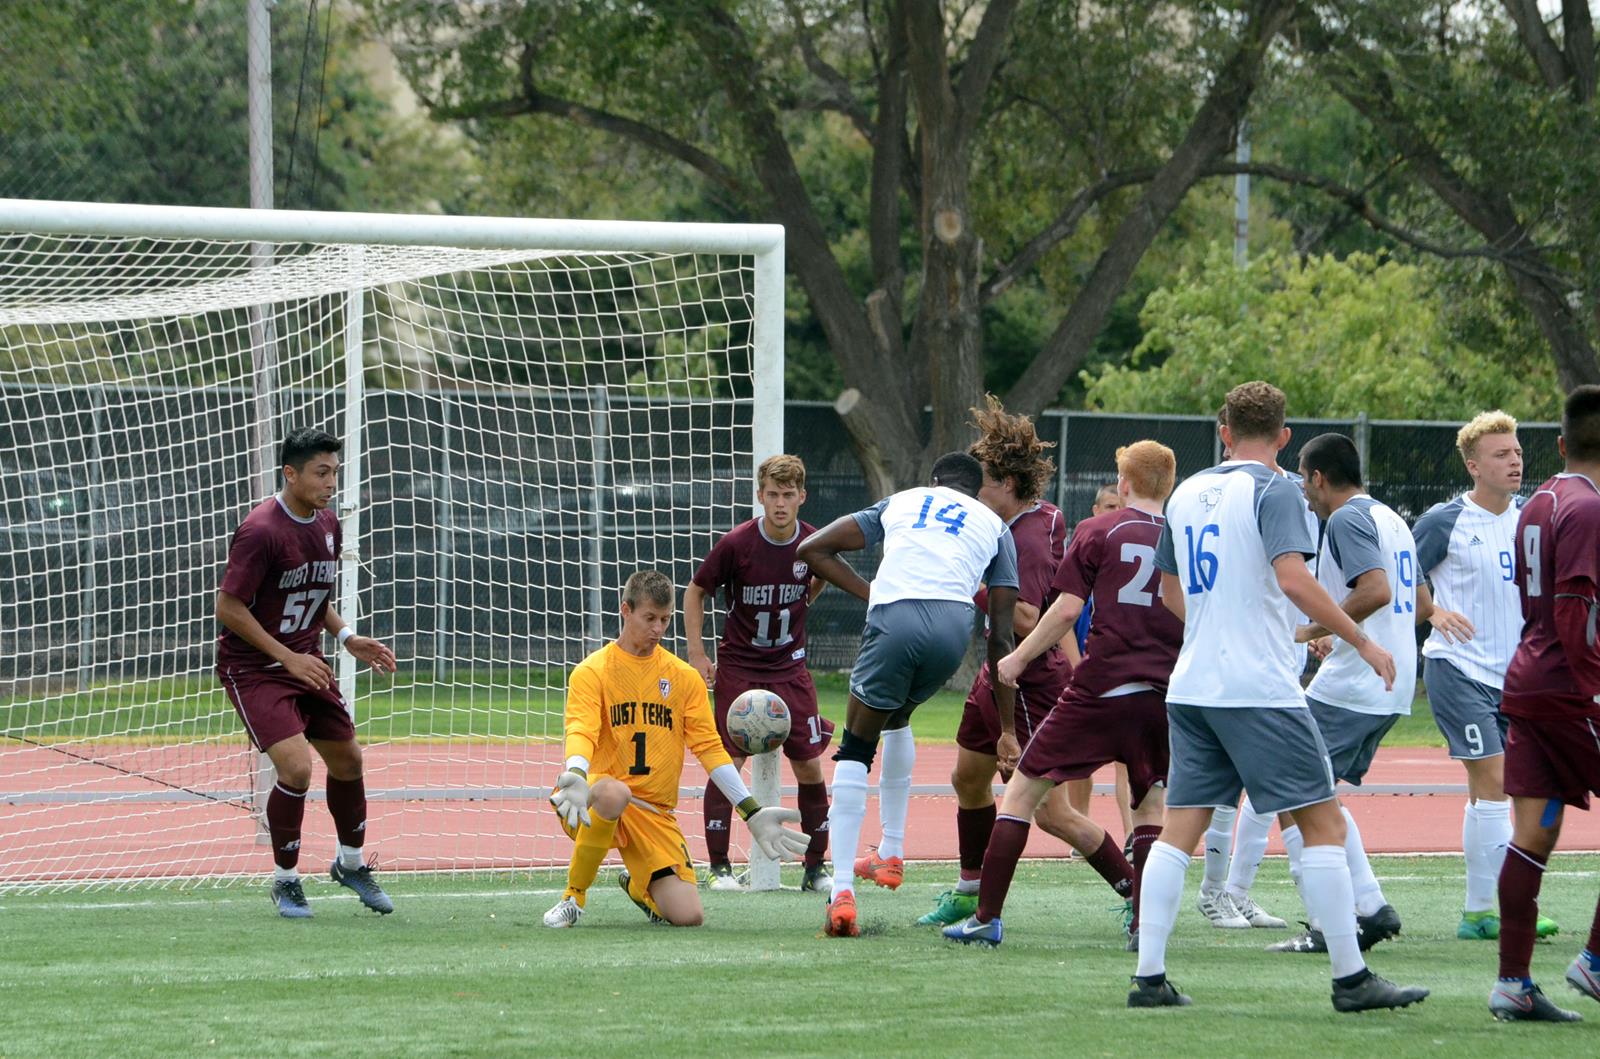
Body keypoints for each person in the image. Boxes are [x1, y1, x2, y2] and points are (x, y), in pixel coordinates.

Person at [1131, 380, 1427, 1012]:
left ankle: (1149, 978)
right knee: (1322, 821)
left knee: (1178, 831)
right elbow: (1293, 578)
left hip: (1192, 687)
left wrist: (1217, 630)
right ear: (1284, 436)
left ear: (1225, 432)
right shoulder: (1276, 489)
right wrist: (1363, 642)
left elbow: (1168, 594)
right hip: (1259, 688)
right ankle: (1352, 978)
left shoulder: (1185, 493)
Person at [942, 440, 1180, 950]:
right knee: (1149, 806)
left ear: (1125, 485)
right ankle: (1144, 924)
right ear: (1171, 485)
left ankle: (986, 918)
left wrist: (1020, 657)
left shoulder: (1098, 529)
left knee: (1024, 793)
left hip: (1099, 687)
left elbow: (1066, 610)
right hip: (1160, 691)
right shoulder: (1184, 534)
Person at [797, 452, 1020, 938]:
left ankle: (840, 894)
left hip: (896, 615)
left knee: (856, 747)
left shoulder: (902, 501)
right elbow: (1002, 637)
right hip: (952, 630)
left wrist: (870, 592)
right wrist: (1007, 729)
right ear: (976, 489)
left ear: (934, 481)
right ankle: (891, 851)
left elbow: (813, 548)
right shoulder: (996, 525)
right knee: (898, 717)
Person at [542, 570, 809, 928]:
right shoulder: (592, 672)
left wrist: (751, 811)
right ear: (626, 610)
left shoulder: (683, 678)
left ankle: (639, 886)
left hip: (652, 812)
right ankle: (574, 898)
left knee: (689, 916)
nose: (658, 629)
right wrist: (575, 773)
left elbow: (710, 748)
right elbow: (582, 730)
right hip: (590, 796)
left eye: (665, 620)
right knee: (614, 792)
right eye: (649, 618)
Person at [1247, 433, 1427, 955]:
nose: (1303, 490)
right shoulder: (1390, 517)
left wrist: (1314, 628)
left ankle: (1338, 921)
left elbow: (1376, 590)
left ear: (1320, 477)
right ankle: (1368, 904)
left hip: (1355, 686)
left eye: (1305, 478)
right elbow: (1413, 605)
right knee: (1311, 793)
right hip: (1379, 684)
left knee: (1292, 792)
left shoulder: (1347, 518)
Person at [914, 398, 1089, 927]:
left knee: (1052, 814)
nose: (972, 494)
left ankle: (1135, 888)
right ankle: (970, 890)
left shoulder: (1028, 536)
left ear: (1009, 485)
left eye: (982, 483)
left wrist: (969, 586)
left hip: (1032, 680)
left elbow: (1033, 618)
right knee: (968, 776)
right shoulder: (1009, 521)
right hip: (997, 675)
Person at [215, 427, 399, 918]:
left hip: (305, 662)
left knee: (349, 760)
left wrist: (346, 638)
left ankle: (352, 864)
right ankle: (285, 881)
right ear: (290, 474)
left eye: (334, 472)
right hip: (254, 668)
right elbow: (229, 607)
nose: (331, 481)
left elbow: (313, 596)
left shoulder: (328, 524)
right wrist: (288, 657)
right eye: (321, 472)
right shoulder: (261, 530)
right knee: (296, 767)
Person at [1414, 411, 1557, 941]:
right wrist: (1433, 613)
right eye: (1501, 454)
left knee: (1496, 793)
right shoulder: (1443, 520)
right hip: (1459, 670)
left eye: (1517, 452)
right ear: (1474, 465)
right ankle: (1504, 909)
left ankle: (1478, 911)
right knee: (1494, 783)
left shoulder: (1533, 520)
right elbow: (1405, 575)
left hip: (1518, 677)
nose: (1515, 460)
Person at [1487, 386, 1600, 1022]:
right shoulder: (1588, 509)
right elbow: (1575, 610)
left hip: (1528, 682)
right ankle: (1596, 962)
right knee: (1531, 833)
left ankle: (1513, 982)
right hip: (1568, 690)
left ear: (1560, 444)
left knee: (1532, 835)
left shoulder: (1539, 503)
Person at [684, 454, 833, 893]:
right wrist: (697, 652)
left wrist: (805, 602)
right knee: (726, 763)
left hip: (790, 666)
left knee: (809, 764)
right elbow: (695, 592)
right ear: (760, 496)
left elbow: (819, 579)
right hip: (741, 667)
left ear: (802, 497)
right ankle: (719, 868)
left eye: (789, 495)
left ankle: (815, 868)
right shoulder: (737, 544)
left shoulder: (813, 544)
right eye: (773, 495)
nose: (781, 504)